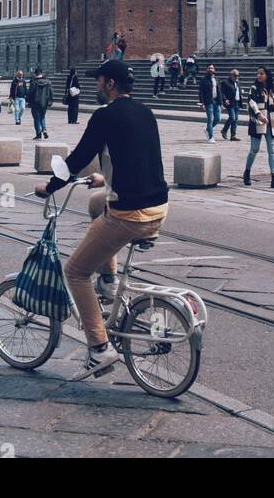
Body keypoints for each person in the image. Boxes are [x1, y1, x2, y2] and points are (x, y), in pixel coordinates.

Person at [35, 58, 169, 378]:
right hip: (159, 207)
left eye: (99, 81)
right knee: (98, 203)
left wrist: (50, 186)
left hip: (132, 213)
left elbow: (79, 158)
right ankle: (108, 284)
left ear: (110, 84)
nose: (96, 86)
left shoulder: (104, 116)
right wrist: (105, 180)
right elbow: (138, 158)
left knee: (76, 271)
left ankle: (99, 348)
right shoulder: (145, 112)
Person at [243, 67, 274, 189]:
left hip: (271, 122)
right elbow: (251, 102)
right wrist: (258, 114)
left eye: (261, 73)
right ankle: (247, 171)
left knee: (272, 150)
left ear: (267, 75)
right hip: (257, 122)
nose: (259, 76)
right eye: (258, 73)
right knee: (254, 149)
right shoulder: (254, 88)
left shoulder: (273, 90)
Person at [26, 69, 53, 139]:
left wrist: (27, 100)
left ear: (35, 74)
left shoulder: (34, 82)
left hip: (35, 103)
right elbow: (51, 92)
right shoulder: (48, 82)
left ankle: (38, 134)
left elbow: (30, 93)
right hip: (44, 102)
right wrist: (50, 101)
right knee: (42, 117)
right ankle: (44, 129)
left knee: (37, 119)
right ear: (41, 73)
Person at [199, 64, 222, 143]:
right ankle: (211, 137)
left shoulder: (217, 79)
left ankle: (208, 129)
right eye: (209, 68)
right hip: (208, 102)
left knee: (218, 118)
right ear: (206, 70)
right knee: (210, 119)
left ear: (214, 70)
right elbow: (201, 92)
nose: (210, 69)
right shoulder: (204, 80)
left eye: (212, 68)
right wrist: (202, 103)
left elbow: (219, 92)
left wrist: (221, 103)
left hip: (216, 101)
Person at [221, 68, 241, 140]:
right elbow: (222, 92)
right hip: (230, 103)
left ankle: (233, 136)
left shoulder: (237, 82)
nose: (237, 77)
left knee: (235, 119)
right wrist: (224, 100)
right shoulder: (225, 82)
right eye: (235, 75)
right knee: (232, 117)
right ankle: (224, 130)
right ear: (231, 75)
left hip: (237, 102)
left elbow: (238, 91)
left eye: (238, 75)